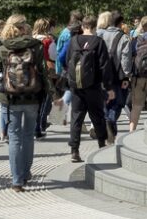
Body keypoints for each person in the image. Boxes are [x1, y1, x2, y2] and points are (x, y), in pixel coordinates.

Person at [0, 14, 52, 191]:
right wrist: (51, 94)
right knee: (28, 136)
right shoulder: (36, 46)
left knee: (14, 137)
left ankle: (17, 180)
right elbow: (42, 72)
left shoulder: (2, 48)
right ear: (24, 27)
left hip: (10, 99)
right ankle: (26, 173)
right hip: (32, 97)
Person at [66, 14, 114, 162]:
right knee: (97, 116)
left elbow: (67, 61)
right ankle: (101, 145)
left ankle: (74, 150)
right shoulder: (98, 42)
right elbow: (105, 66)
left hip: (76, 86)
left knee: (76, 117)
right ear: (94, 27)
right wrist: (109, 87)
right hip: (93, 86)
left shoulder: (73, 41)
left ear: (82, 27)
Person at [121, 15, 147, 130]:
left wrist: (128, 74)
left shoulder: (135, 40)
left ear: (142, 26)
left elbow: (129, 57)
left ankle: (131, 130)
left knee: (136, 106)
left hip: (138, 77)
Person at [97, 10, 129, 144]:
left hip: (101, 75)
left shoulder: (99, 35)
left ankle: (106, 124)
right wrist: (126, 76)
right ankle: (110, 122)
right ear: (120, 23)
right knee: (118, 102)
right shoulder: (123, 37)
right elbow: (125, 57)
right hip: (117, 75)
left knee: (105, 101)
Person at [32, 17, 56, 138]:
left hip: (31, 71)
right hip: (45, 71)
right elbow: (54, 55)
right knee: (45, 100)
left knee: (35, 102)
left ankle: (33, 127)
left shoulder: (30, 39)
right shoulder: (48, 40)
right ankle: (39, 127)